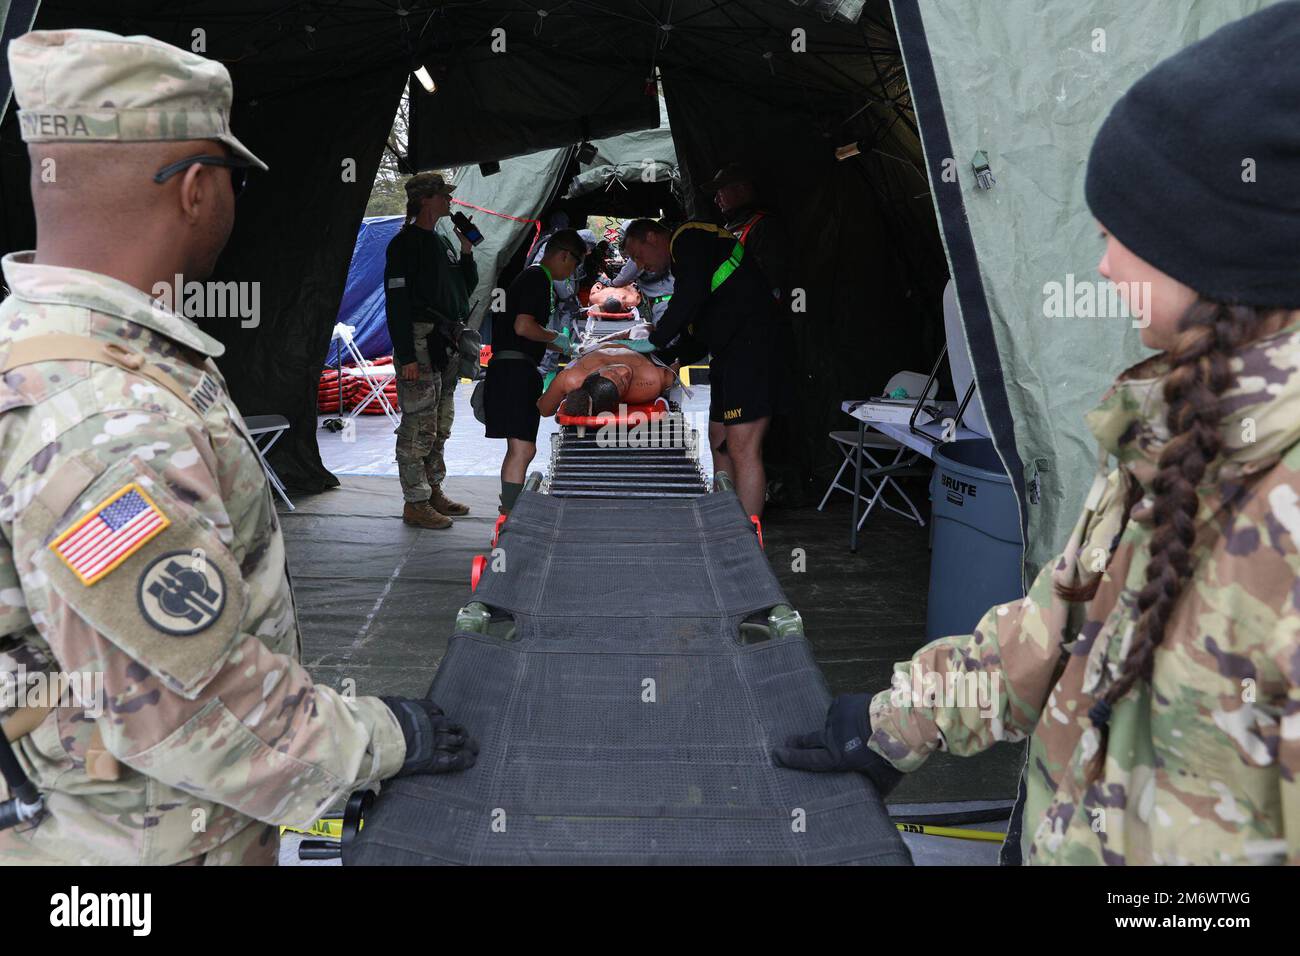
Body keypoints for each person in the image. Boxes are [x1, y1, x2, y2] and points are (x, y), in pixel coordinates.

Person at [774, 3, 1300, 865]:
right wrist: (897, 724)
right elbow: (1060, 624)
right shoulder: (1177, 429)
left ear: (1218, 247)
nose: (1103, 268)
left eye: (1119, 237)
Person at [0, 29, 476, 866]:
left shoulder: (47, 353)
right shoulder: (108, 416)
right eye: (231, 178)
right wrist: (380, 737)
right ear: (194, 188)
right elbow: (189, 704)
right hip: (149, 844)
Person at [623, 218, 774, 517]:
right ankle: (723, 514)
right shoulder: (690, 265)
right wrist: (672, 358)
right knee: (719, 438)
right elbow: (700, 330)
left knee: (742, 448)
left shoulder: (688, 238)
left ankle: (745, 533)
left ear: (652, 236)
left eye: (639, 255)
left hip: (751, 351)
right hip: (728, 356)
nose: (641, 266)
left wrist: (657, 339)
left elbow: (689, 297)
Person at [383, 171, 477, 530]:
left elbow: (464, 288)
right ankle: (416, 502)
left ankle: (433, 489)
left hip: (445, 339)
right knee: (418, 424)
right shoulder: (405, 244)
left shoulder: (441, 242)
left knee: (440, 422)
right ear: (425, 200)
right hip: (419, 339)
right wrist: (406, 355)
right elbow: (396, 301)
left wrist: (467, 249)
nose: (449, 200)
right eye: (443, 195)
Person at [483, 229, 584, 514]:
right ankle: (510, 515)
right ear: (564, 255)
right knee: (522, 449)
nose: (573, 271)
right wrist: (555, 339)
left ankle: (510, 509)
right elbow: (522, 327)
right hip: (515, 371)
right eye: (574, 264)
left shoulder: (536, 279)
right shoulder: (537, 278)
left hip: (514, 369)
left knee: (521, 448)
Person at [538, 344, 676, 418]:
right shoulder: (651, 382)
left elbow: (544, 408)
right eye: (623, 382)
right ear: (621, 401)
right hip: (629, 347)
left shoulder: (571, 379)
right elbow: (545, 410)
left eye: (613, 371)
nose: (624, 371)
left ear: (598, 372)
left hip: (596, 346)